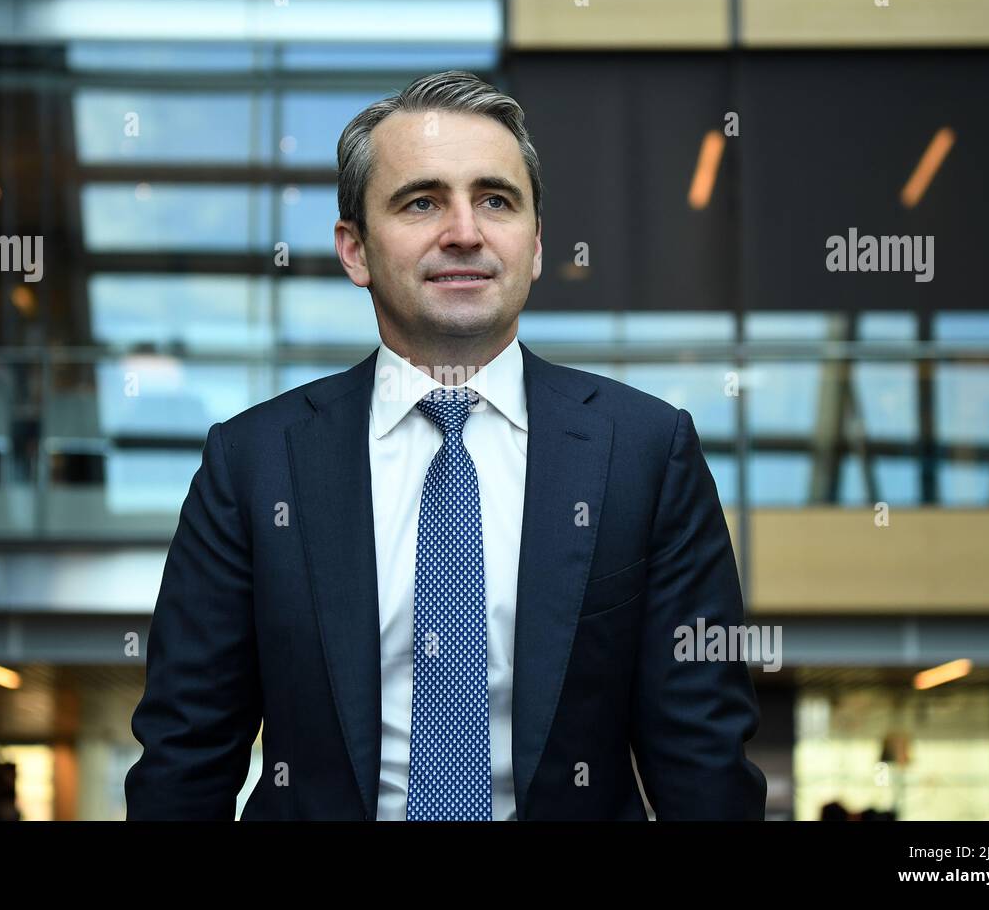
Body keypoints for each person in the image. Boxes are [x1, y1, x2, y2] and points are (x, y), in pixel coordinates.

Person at [125, 70, 766, 820]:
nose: (465, 230)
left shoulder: (647, 454)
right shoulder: (252, 464)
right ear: (355, 250)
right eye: (422, 200)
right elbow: (185, 759)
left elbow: (704, 764)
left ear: (533, 246)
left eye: (496, 200)